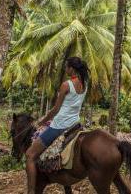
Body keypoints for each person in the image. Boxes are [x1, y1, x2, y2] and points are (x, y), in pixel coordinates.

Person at [25, 57, 89, 194]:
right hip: (75, 124)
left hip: (59, 125)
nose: (65, 69)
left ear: (72, 68)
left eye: (66, 67)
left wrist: (42, 121)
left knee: (30, 155)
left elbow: (56, 109)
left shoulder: (66, 85)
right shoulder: (85, 84)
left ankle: (30, 191)